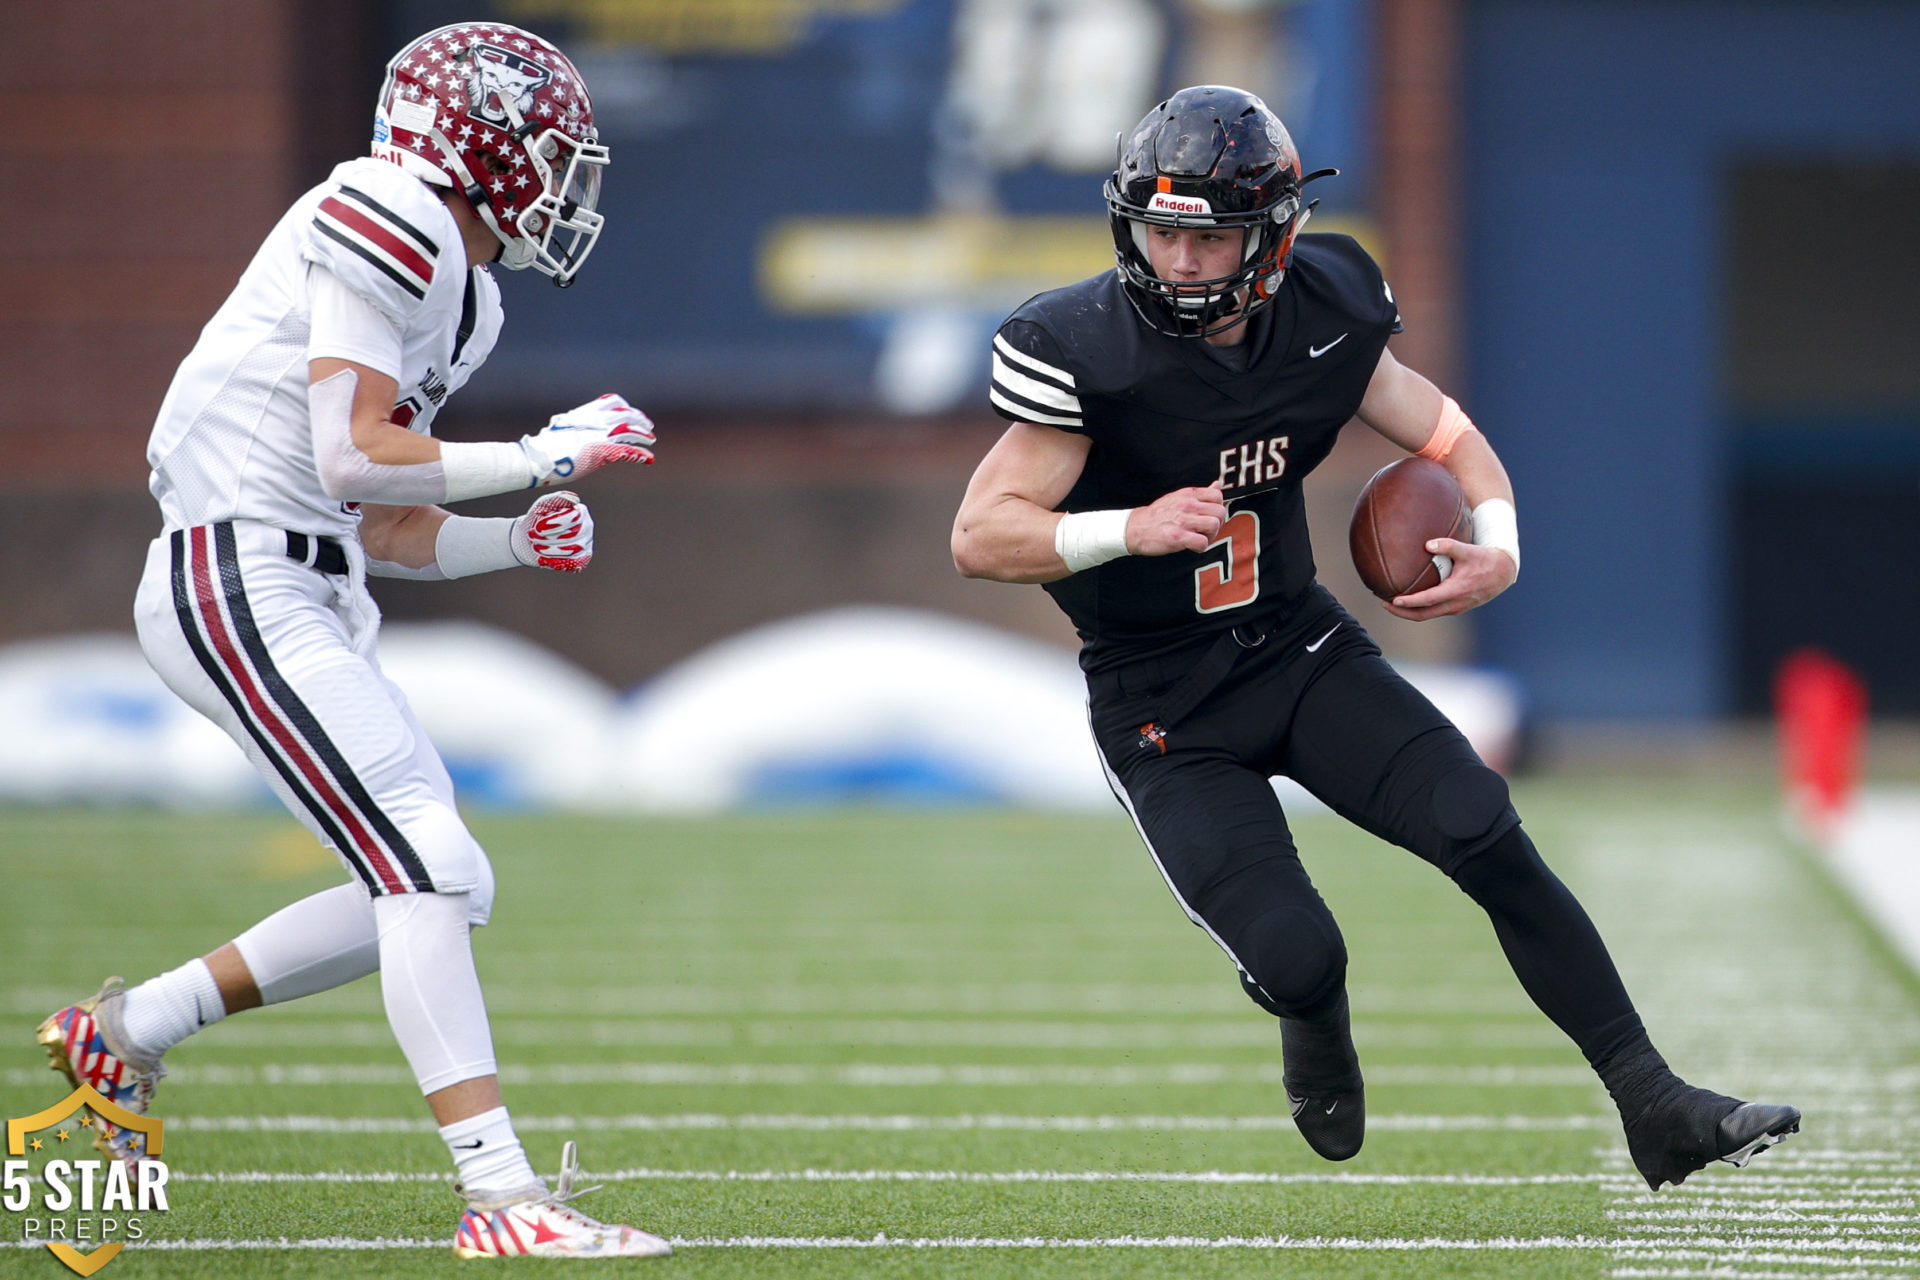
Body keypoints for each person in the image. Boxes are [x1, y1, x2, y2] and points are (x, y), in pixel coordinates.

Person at [951, 85, 1799, 1191]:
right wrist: (1127, 526)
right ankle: (1312, 1014)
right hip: (1162, 707)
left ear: (1273, 236)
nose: (1180, 262)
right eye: (1160, 232)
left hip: (1295, 647)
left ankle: (1654, 1101)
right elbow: (980, 535)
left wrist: (1499, 541)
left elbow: (1448, 435)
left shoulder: (1328, 307)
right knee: (1300, 953)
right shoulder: (1085, 348)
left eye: (1208, 238)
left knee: (1481, 823)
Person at [36, 23, 671, 1258]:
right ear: (476, 140)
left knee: (444, 874)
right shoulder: (391, 206)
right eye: (548, 153)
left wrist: (511, 539)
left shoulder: (468, 292)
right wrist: (538, 454)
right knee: (424, 861)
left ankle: (127, 1031)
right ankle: (501, 1196)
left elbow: (377, 518)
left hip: (306, 581)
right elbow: (349, 455)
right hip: (236, 568)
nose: (562, 182)